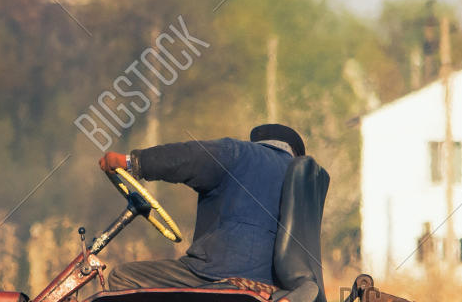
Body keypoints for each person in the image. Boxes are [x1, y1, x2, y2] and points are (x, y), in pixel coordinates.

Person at [98, 123, 306, 290]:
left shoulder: (240, 153)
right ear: (294, 153)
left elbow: (185, 158)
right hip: (274, 286)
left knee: (122, 277)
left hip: (215, 274)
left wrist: (131, 162)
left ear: (258, 143)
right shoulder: (303, 181)